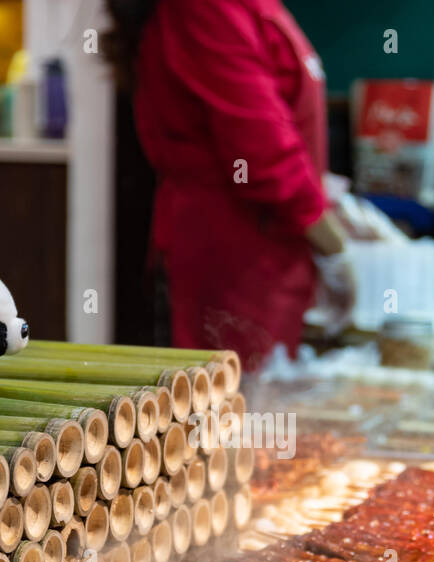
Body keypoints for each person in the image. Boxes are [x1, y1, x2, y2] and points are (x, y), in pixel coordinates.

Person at [105, 0, 353, 371]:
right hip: (235, 260)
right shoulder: (208, 8)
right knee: (230, 410)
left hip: (269, 252)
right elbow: (262, 151)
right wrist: (334, 247)